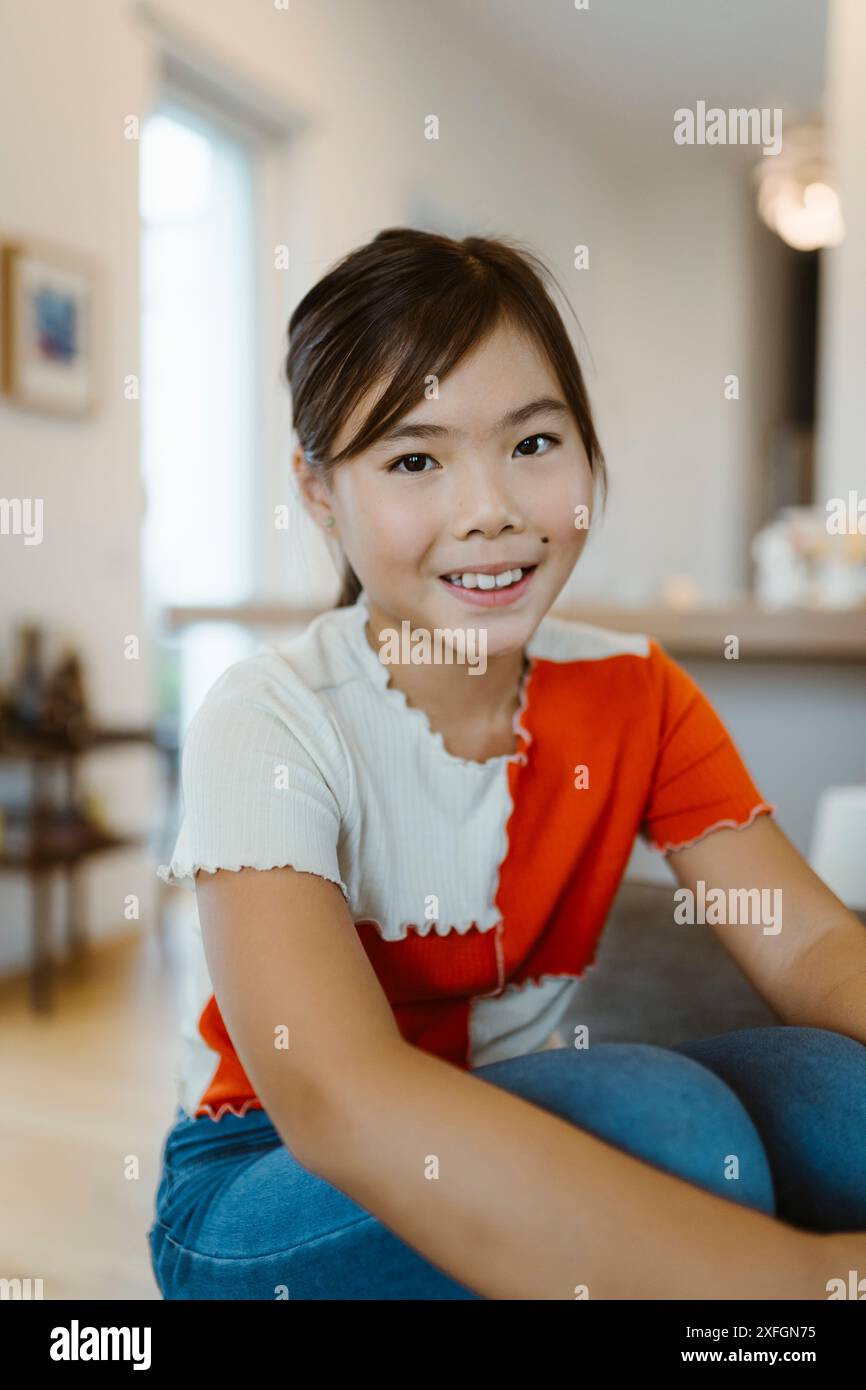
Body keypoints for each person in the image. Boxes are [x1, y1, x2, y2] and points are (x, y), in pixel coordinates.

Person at [149, 228, 866, 1300]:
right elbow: (342, 1101)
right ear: (317, 493)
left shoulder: (636, 690)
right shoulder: (269, 714)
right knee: (671, 1133)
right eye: (412, 459)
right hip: (270, 1177)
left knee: (837, 1099)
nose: (489, 508)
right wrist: (806, 1285)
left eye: (532, 444)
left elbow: (806, 941)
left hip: (508, 1099)